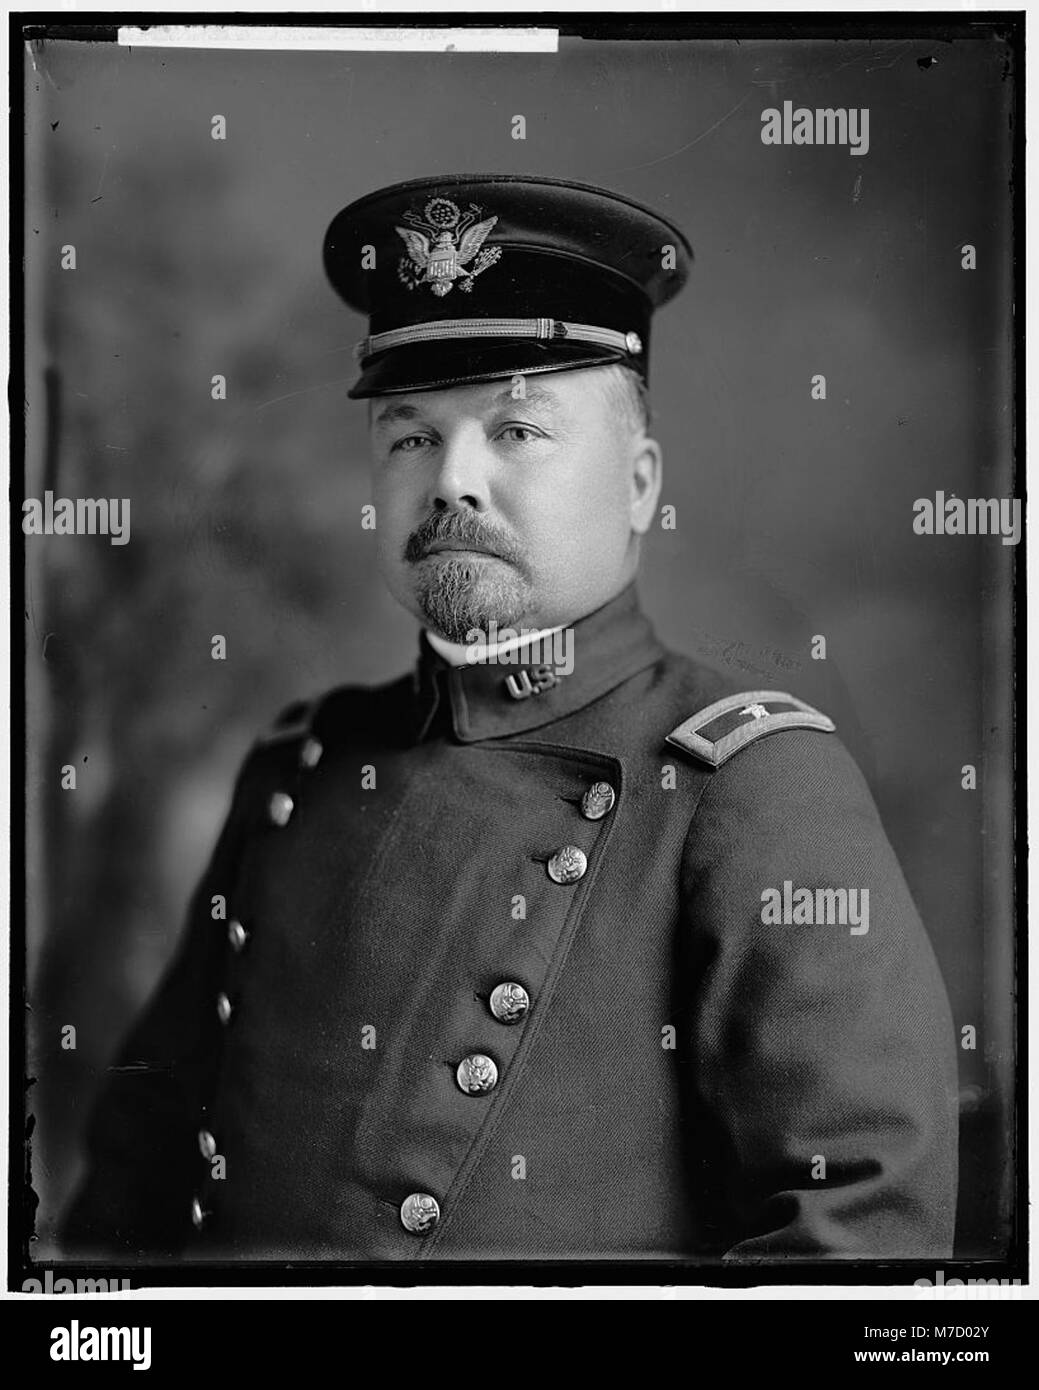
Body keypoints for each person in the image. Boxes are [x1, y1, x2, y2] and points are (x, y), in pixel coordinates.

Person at [64, 174, 958, 1263]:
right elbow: (133, 1187)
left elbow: (856, 1238)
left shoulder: (750, 779)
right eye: (409, 437)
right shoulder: (300, 763)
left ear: (638, 484)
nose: (453, 482)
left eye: (518, 429)